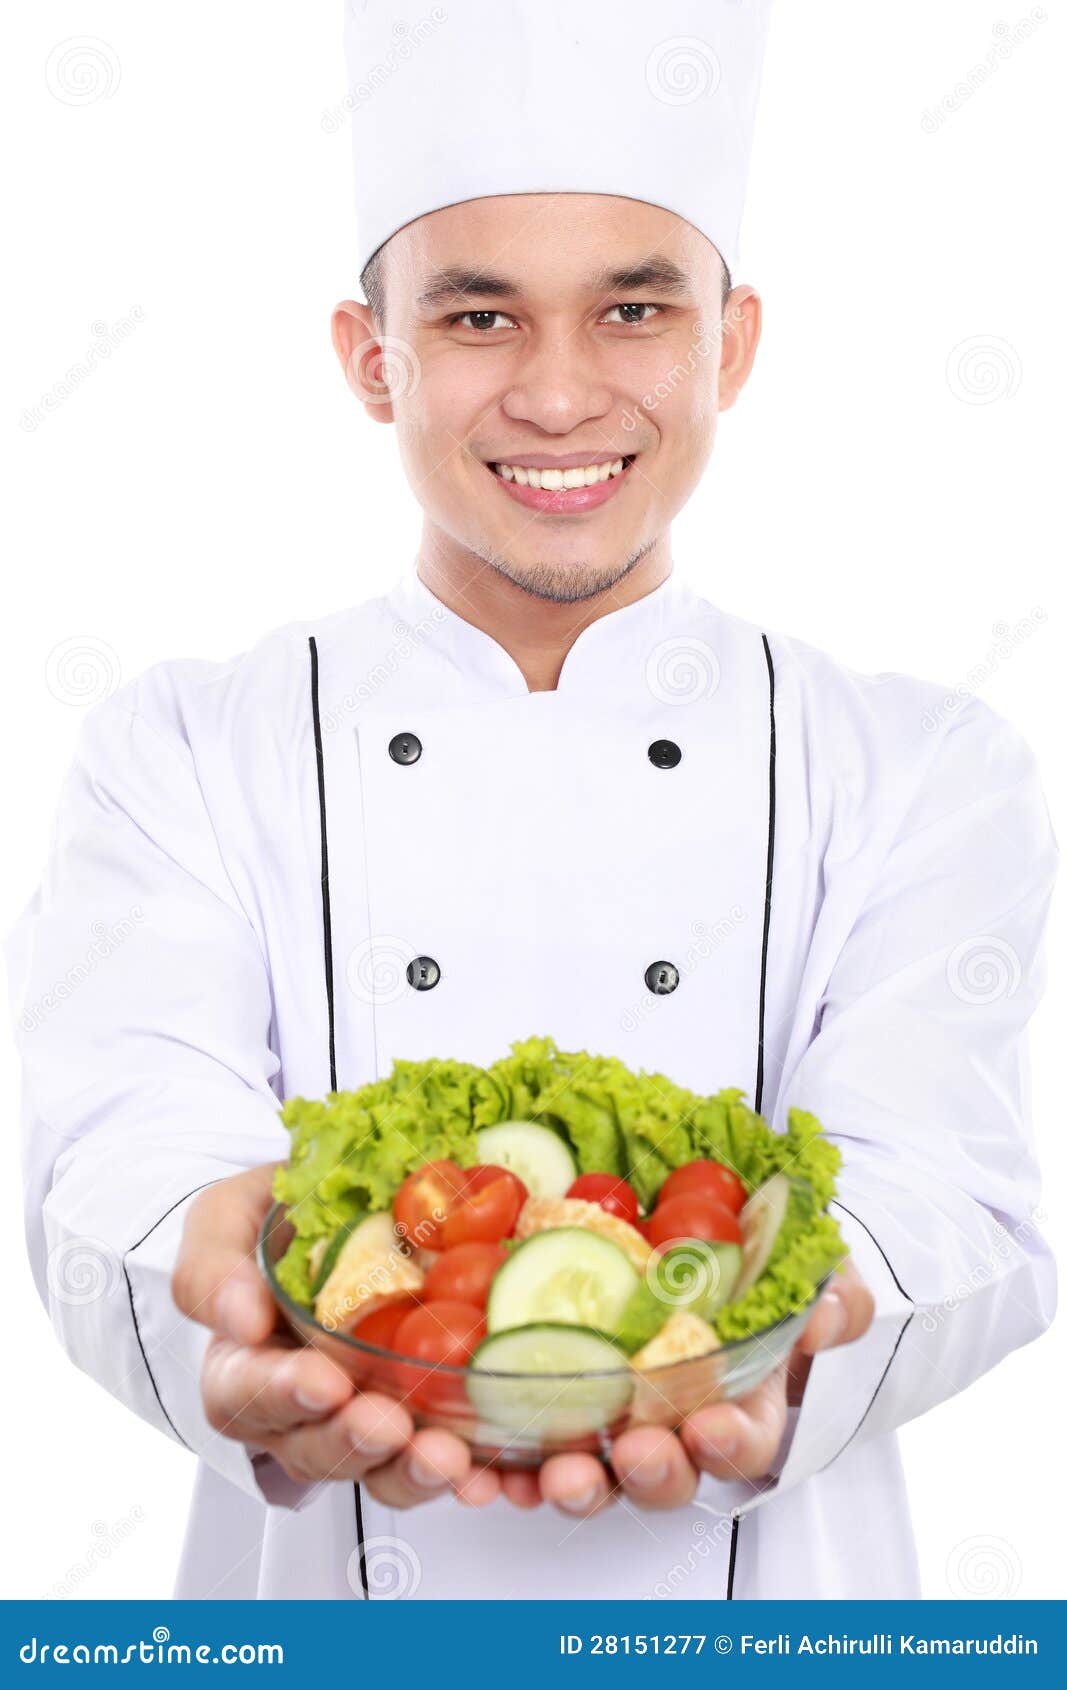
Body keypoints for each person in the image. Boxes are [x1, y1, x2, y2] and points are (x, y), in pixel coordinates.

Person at [9, 0, 1055, 1601]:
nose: (561, 398)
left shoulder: (923, 768)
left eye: (634, 308)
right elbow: (127, 1146)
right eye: (481, 319)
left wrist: (792, 1353)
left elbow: (944, 1188)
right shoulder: (186, 750)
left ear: (735, 343)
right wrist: (228, 1314)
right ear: (375, 359)